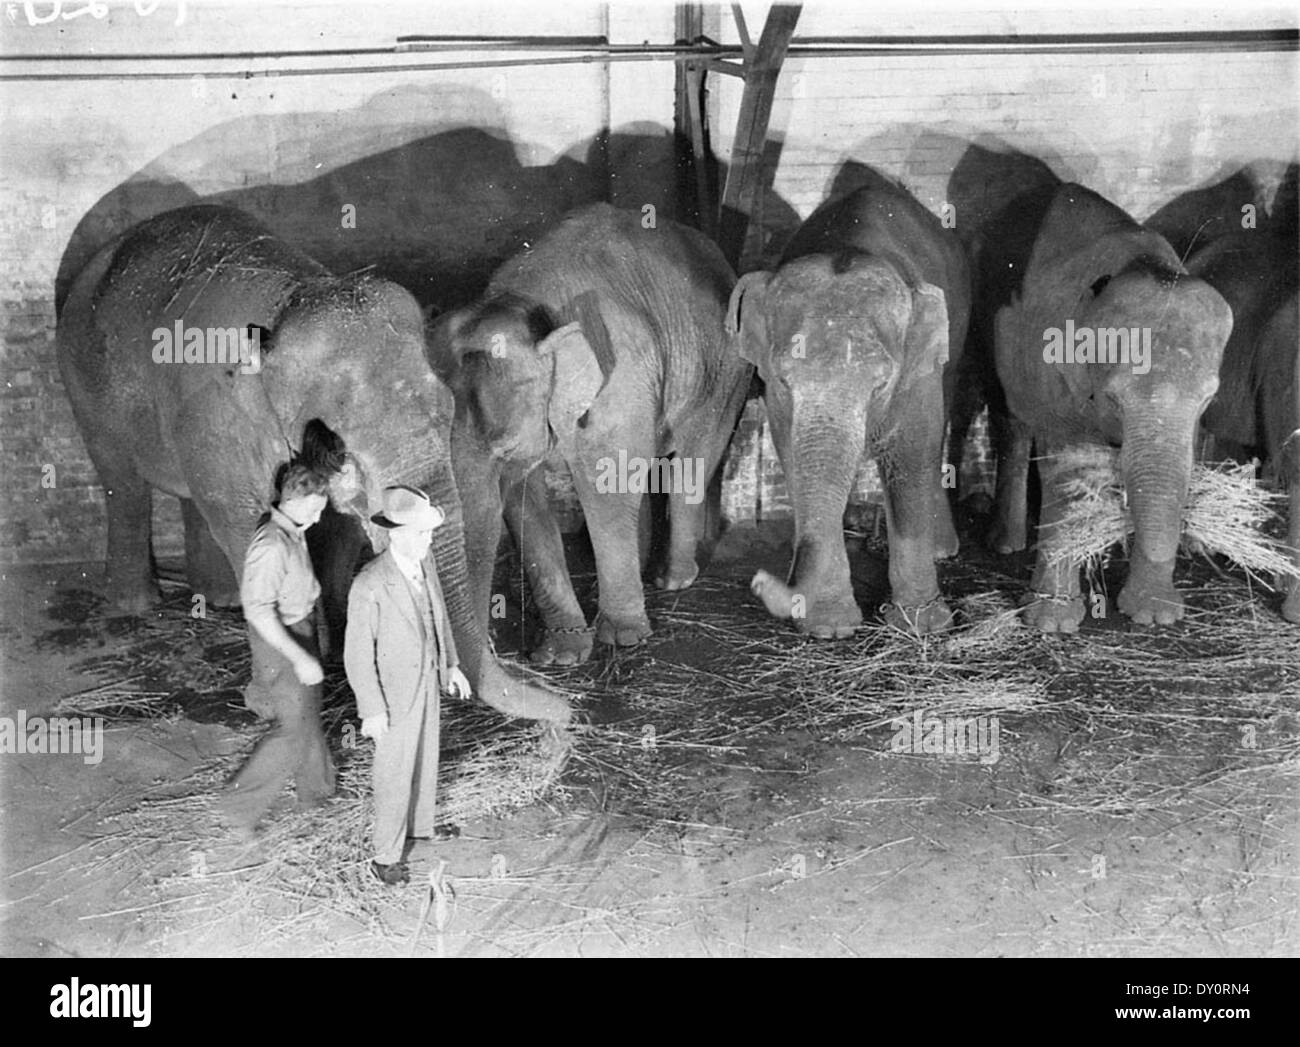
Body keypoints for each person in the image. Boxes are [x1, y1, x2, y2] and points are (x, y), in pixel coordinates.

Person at [344, 485, 471, 886]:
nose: (429, 540)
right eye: (421, 533)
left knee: (425, 757)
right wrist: (372, 710)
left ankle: (419, 825)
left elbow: (440, 615)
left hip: (429, 678)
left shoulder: (424, 561)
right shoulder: (370, 583)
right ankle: (386, 855)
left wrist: (451, 665)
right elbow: (357, 654)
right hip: (394, 694)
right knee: (394, 770)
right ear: (396, 534)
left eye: (429, 532)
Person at [217, 463, 336, 839]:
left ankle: (316, 795)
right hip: (279, 643)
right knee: (293, 730)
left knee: (308, 717)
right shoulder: (270, 545)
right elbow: (257, 610)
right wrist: (299, 657)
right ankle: (237, 809)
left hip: (299, 630)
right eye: (315, 509)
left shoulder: (292, 531)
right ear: (295, 501)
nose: (318, 519)